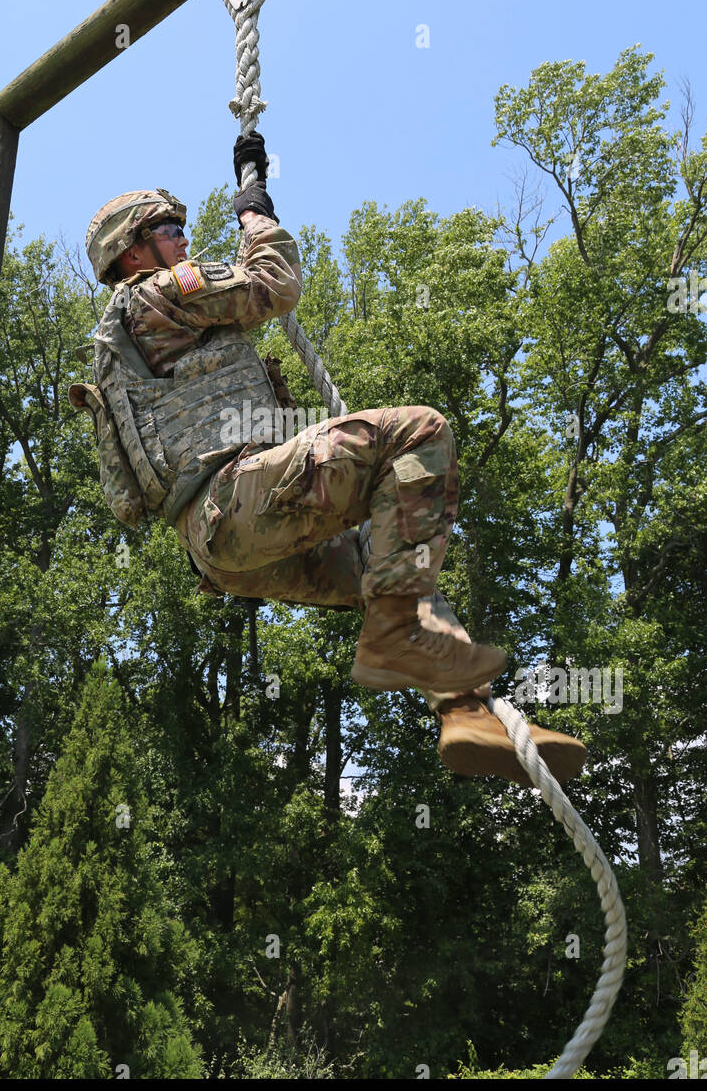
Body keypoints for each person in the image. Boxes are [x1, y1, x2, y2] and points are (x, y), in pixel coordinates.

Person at [82, 134, 586, 787]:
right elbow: (276, 284)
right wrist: (256, 219)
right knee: (419, 433)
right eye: (171, 229)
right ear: (132, 251)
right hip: (238, 501)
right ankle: (398, 646)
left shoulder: (125, 338)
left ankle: (464, 713)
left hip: (223, 549)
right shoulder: (159, 291)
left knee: (394, 567)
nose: (183, 239)